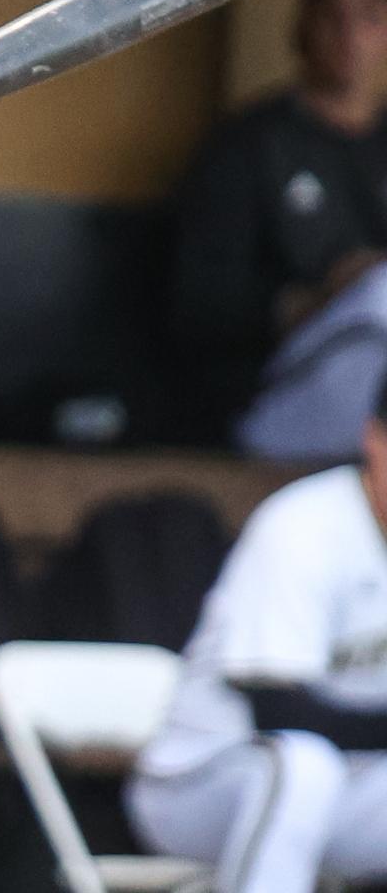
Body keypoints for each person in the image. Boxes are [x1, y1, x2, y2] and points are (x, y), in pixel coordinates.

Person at [126, 376, 387, 893]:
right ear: (374, 438)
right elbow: (278, 711)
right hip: (203, 784)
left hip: (348, 787)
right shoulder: (305, 525)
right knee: (304, 768)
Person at [171, 0, 387, 461]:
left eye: (369, 16)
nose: (349, 36)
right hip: (281, 396)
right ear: (302, 23)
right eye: (331, 15)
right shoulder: (251, 145)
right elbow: (194, 308)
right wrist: (316, 300)